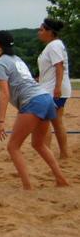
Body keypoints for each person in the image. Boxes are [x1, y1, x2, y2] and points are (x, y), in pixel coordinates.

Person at [0, 31, 69, 189]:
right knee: (39, 144)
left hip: (33, 101)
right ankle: (61, 179)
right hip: (45, 98)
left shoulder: (0, 64)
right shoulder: (16, 59)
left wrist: (0, 122)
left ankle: (27, 186)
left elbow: (4, 94)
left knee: (13, 147)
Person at [37, 18, 72, 159]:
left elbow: (59, 66)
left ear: (50, 32)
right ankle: (63, 153)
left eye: (41, 30)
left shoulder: (54, 46)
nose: (39, 33)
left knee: (45, 123)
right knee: (56, 122)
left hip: (54, 91)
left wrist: (57, 87)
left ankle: (48, 153)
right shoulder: (53, 45)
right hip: (53, 89)